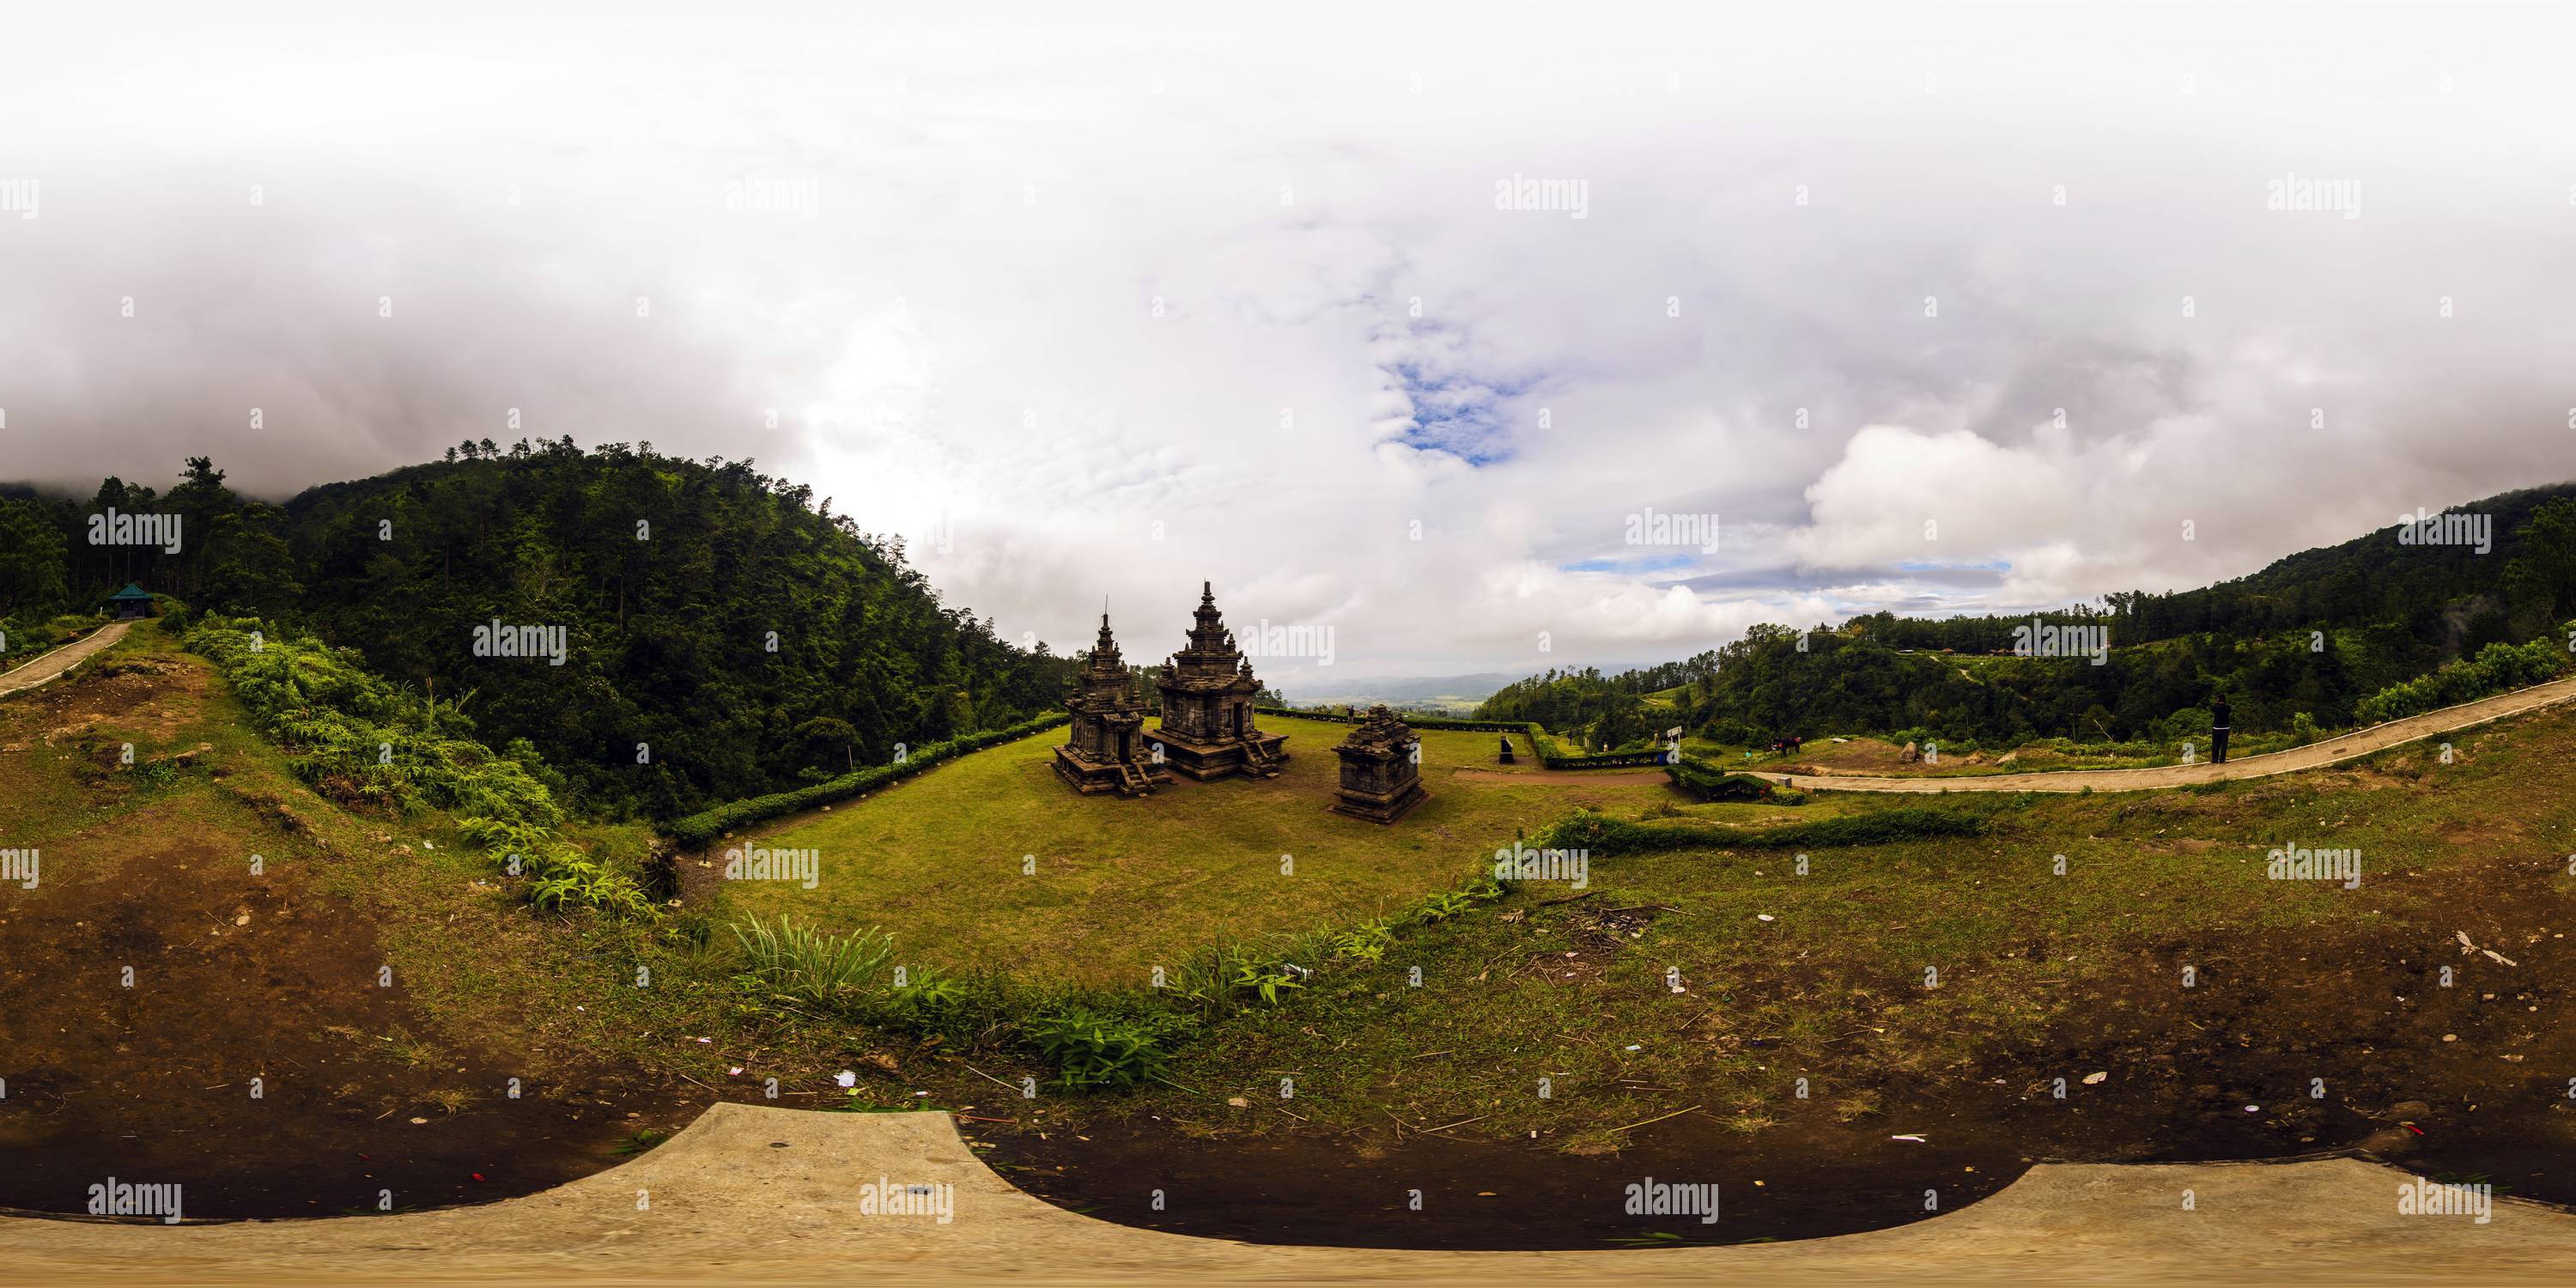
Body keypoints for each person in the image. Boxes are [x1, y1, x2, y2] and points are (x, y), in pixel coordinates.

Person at [2209, 696, 2232, 765]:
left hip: (2217, 728)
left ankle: (2215, 759)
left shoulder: (2215, 707)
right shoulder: (2228, 707)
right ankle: (2222, 759)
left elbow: (2212, 709)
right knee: (2224, 744)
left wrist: (2217, 703)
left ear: (2218, 699)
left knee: (2216, 744)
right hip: (2226, 728)